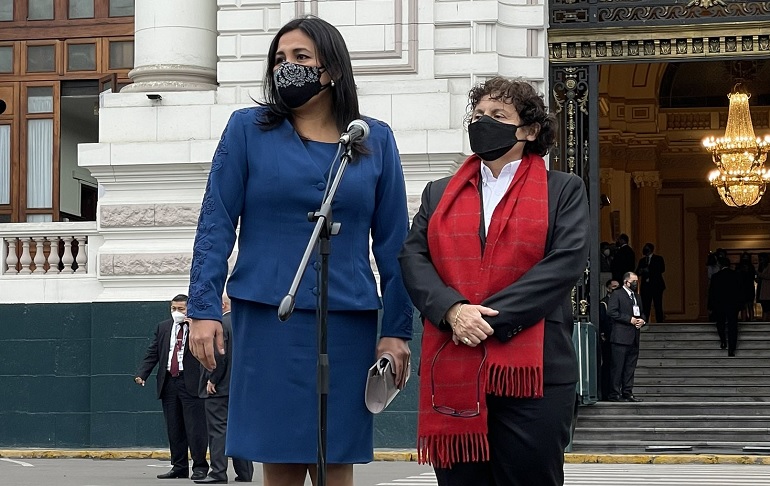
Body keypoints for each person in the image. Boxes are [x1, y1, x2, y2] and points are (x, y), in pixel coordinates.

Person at [185, 16, 413, 486]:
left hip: (347, 320)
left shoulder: (375, 140)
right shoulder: (247, 129)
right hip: (271, 316)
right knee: (281, 455)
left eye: (301, 58)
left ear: (331, 69)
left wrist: (396, 331)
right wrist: (202, 307)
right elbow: (216, 221)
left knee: (336, 458)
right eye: (279, 59)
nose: (287, 67)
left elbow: (395, 246)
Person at [399, 76, 589, 486]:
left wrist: (483, 319)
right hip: (454, 365)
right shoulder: (438, 192)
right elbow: (413, 258)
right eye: (478, 114)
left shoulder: (564, 190)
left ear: (530, 130)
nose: (483, 121)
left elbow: (565, 263)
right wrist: (452, 311)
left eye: (497, 115)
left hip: (534, 374)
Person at [135, 295, 209, 481]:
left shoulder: (198, 328)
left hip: (190, 382)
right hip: (169, 381)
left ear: (189, 309)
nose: (177, 312)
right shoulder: (164, 327)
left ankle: (200, 466)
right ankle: (179, 466)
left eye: (181, 309)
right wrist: (142, 373)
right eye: (174, 308)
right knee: (174, 428)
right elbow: (154, 352)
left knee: (195, 428)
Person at [196, 294, 254, 484]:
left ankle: (218, 472)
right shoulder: (242, 324)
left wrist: (213, 379)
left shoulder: (219, 326)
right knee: (240, 428)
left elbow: (219, 356)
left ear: (221, 304)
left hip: (220, 388)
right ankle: (245, 472)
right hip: (240, 386)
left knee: (218, 431)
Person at [607, 272, 646, 403]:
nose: (635, 284)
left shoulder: (637, 297)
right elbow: (611, 312)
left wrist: (642, 321)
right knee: (617, 367)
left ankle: (627, 392)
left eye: (637, 281)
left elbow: (642, 313)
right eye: (633, 281)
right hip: (620, 337)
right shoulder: (617, 294)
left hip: (634, 337)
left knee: (630, 367)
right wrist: (629, 319)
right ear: (626, 282)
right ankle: (614, 393)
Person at [708, 257, 742, 356]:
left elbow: (712, 293)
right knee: (733, 326)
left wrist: (710, 306)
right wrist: (740, 304)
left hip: (720, 304)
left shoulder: (715, 276)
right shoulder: (736, 275)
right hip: (732, 304)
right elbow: (740, 291)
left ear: (719, 265)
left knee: (720, 324)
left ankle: (723, 341)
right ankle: (732, 349)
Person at [599, 279, 619, 401]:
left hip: (619, 338)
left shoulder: (620, 301)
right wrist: (603, 334)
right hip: (608, 338)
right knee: (607, 365)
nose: (616, 288)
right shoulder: (604, 303)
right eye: (614, 286)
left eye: (618, 286)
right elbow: (602, 320)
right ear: (608, 288)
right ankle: (606, 393)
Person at [635, 242, 666, 323]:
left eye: (647, 249)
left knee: (658, 304)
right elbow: (637, 272)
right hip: (646, 286)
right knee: (645, 305)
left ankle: (659, 322)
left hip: (656, 285)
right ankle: (645, 321)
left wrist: (650, 270)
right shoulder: (642, 261)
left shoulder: (658, 259)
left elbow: (662, 269)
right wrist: (641, 271)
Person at [736, 252, 757, 322]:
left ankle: (747, 319)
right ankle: (746, 319)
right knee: (745, 305)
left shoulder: (742, 267)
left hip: (747, 287)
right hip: (744, 287)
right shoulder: (750, 267)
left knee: (748, 305)